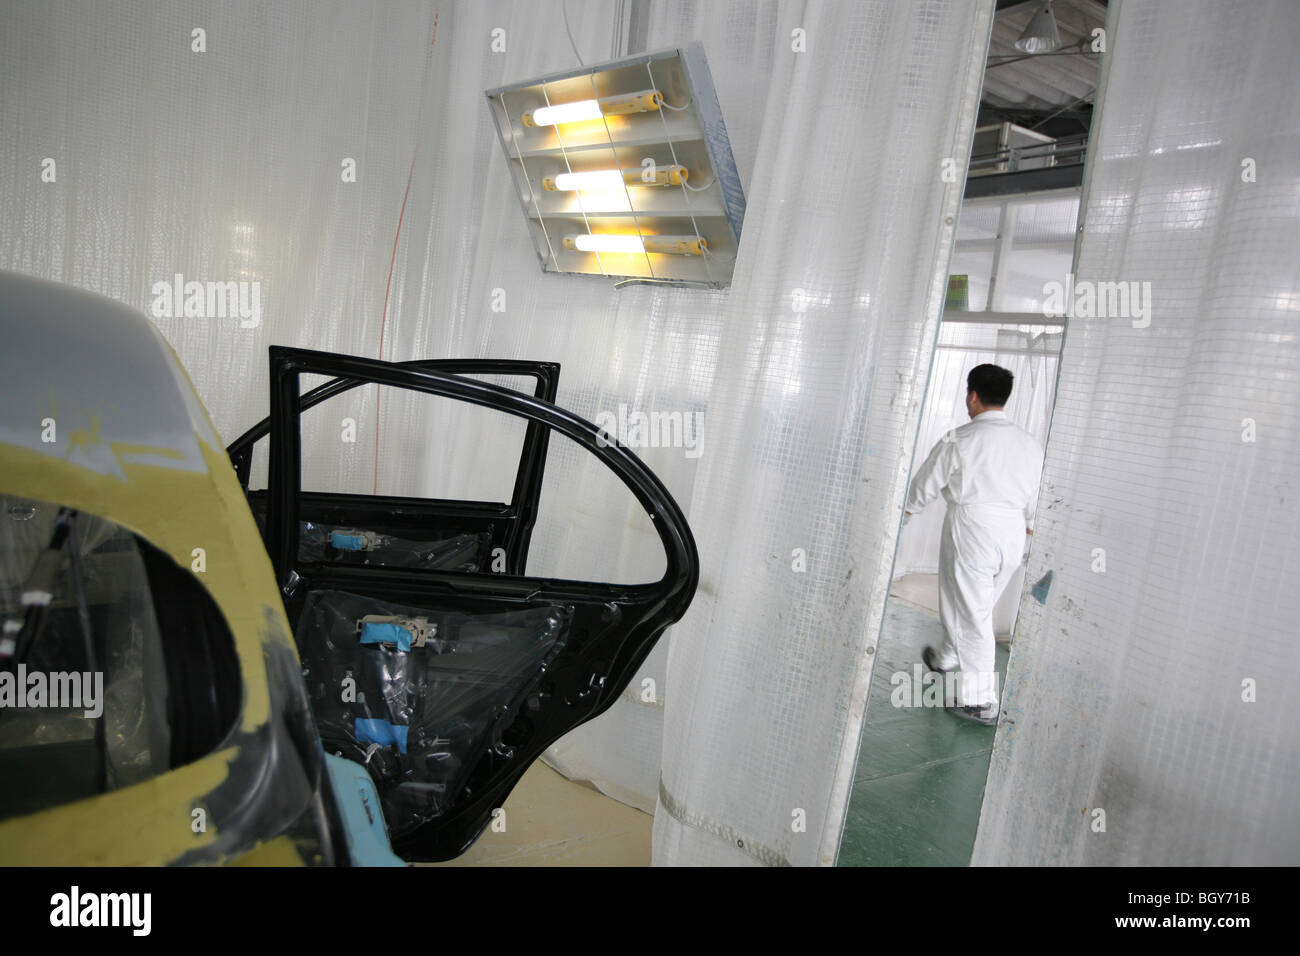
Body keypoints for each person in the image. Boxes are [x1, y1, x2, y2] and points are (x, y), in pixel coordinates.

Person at [903, 364, 1043, 726]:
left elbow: (925, 484)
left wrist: (905, 513)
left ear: (972, 395)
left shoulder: (960, 439)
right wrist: (1028, 528)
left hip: (973, 530)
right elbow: (1037, 495)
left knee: (972, 613)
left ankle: (981, 701)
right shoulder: (1028, 443)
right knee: (975, 606)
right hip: (1012, 533)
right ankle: (946, 656)